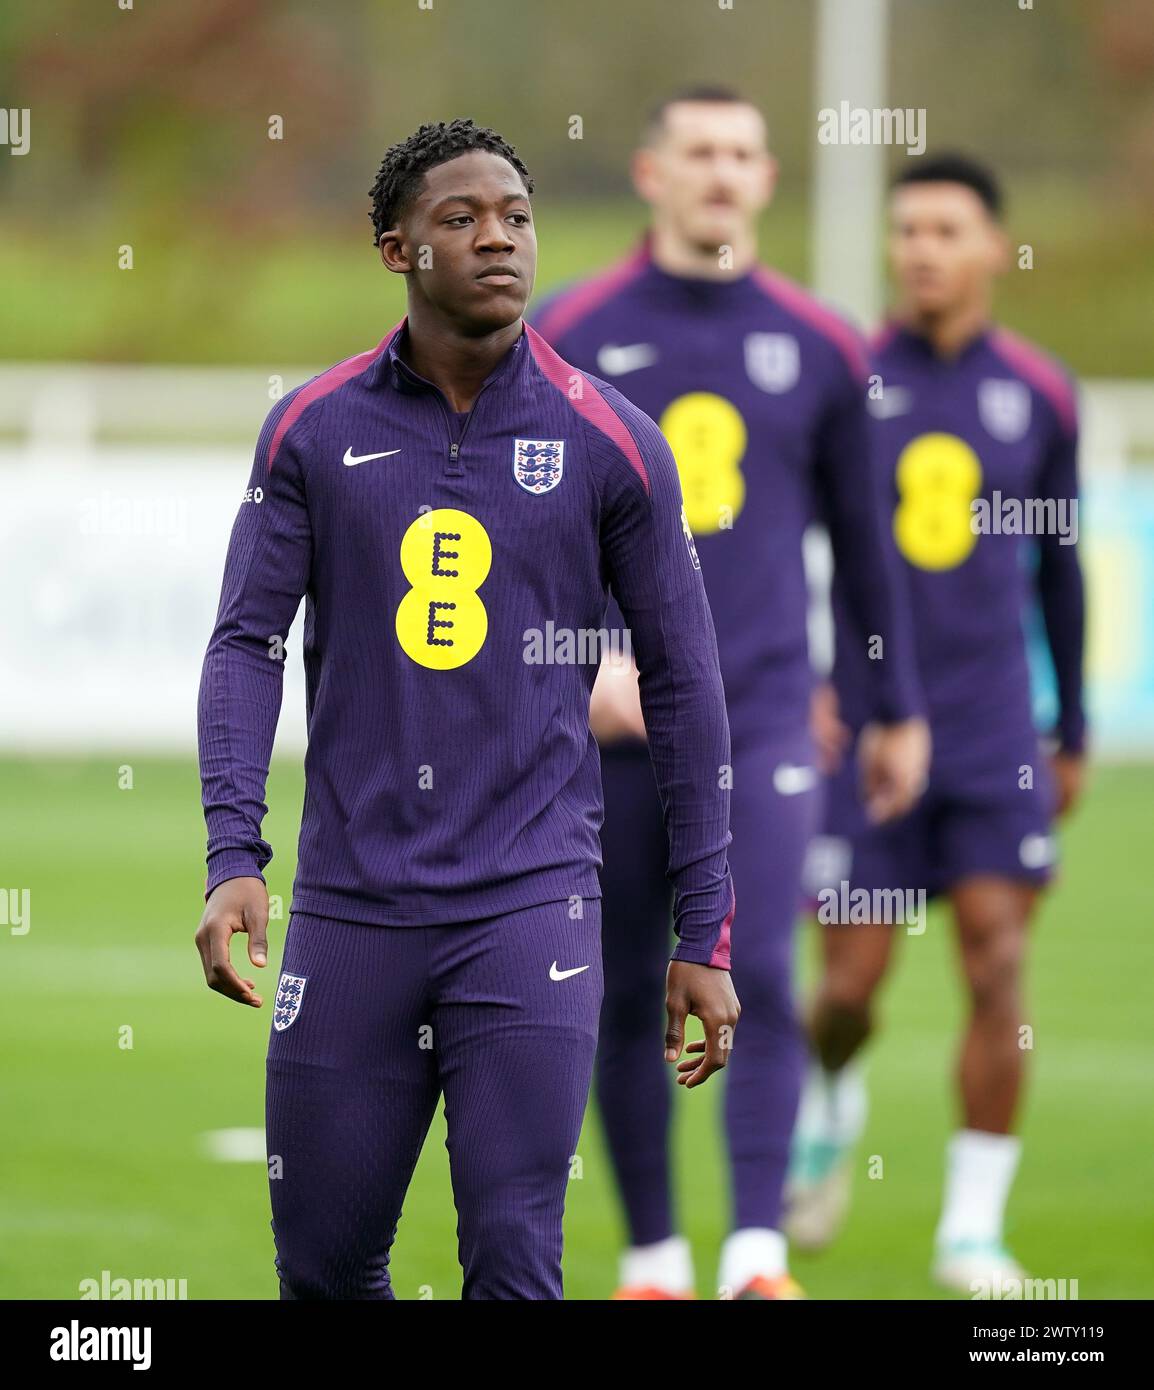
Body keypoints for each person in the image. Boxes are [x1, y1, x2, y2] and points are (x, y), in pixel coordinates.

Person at [193, 117, 739, 1301]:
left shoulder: (613, 443)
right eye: (461, 219)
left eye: (516, 218)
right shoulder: (313, 425)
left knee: (510, 1257)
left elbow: (686, 687)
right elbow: (245, 639)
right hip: (348, 912)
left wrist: (705, 930)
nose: (498, 239)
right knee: (326, 1272)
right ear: (396, 250)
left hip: (531, 904)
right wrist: (233, 850)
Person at [533, 88, 928, 1300]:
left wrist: (893, 706)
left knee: (747, 951)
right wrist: (577, 661)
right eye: (696, 152)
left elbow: (864, 546)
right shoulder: (569, 328)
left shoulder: (820, 342)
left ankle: (755, 1253)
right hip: (607, 726)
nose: (718, 172)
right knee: (623, 977)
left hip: (759, 712)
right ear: (650, 172)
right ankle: (653, 1259)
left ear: (766, 179)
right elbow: (518, 533)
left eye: (741, 155)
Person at [790, 155, 1087, 1295]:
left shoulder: (1041, 393)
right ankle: (828, 1095)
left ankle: (970, 1231)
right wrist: (806, 687)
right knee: (848, 991)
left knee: (996, 961)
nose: (918, 248)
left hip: (991, 736)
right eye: (903, 228)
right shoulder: (842, 377)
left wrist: (1067, 731)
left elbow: (1057, 571)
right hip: (864, 735)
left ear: (986, 248)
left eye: (942, 229)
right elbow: (778, 540)